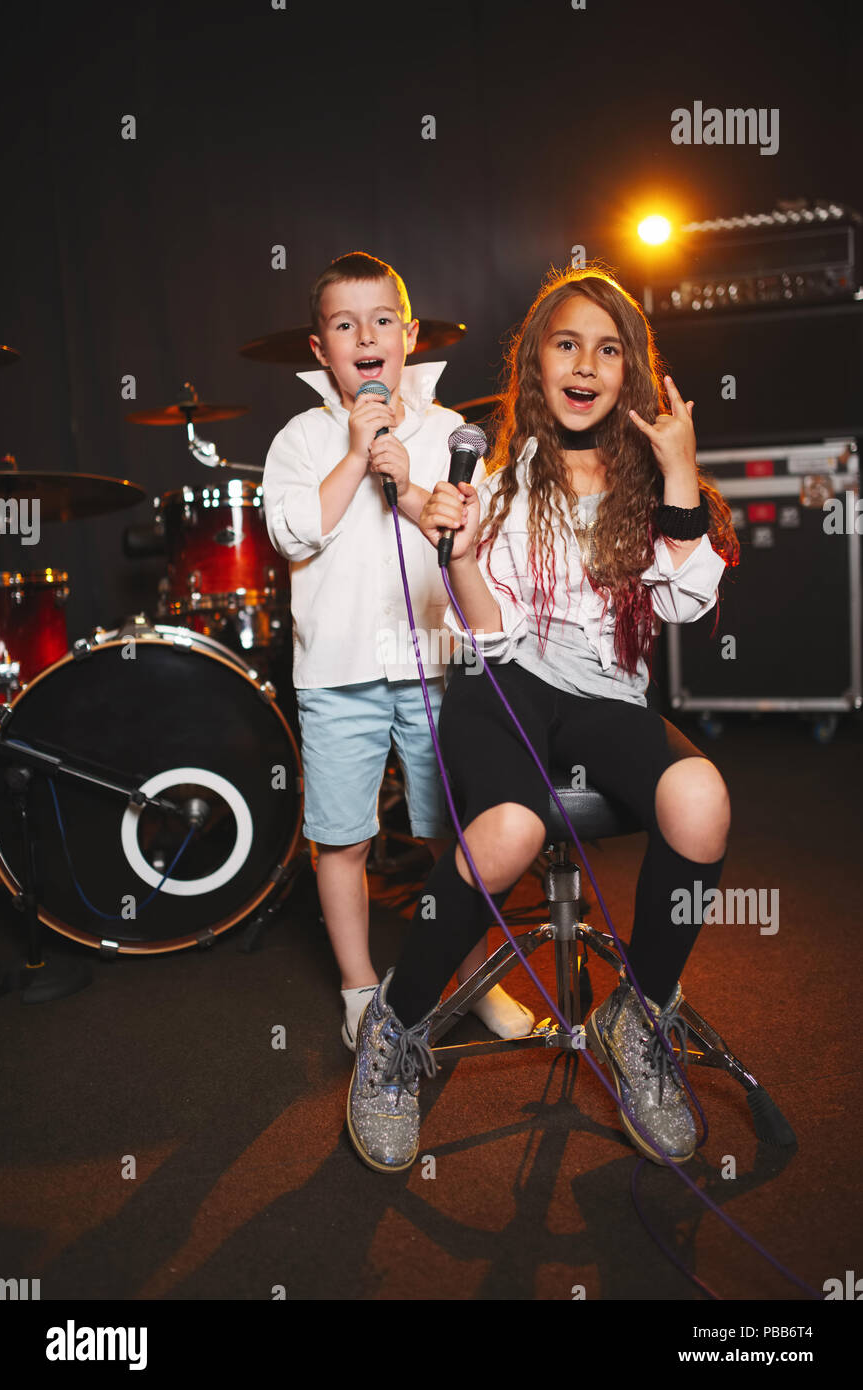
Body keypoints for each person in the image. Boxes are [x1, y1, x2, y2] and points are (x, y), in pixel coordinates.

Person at [347, 265, 739, 1172]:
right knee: (508, 831)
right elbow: (487, 635)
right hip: (508, 686)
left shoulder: (650, 481)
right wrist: (461, 553)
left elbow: (682, 606)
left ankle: (636, 1015)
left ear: (630, 373)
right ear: (535, 360)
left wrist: (679, 467)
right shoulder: (505, 474)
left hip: (606, 698)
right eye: (566, 342)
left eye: (608, 349)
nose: (586, 363)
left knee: (702, 801)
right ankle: (394, 1029)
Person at [263, 251, 534, 1051]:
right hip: (337, 672)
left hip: (435, 668)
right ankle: (356, 988)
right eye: (344, 325)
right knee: (341, 837)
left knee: (459, 836)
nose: (366, 335)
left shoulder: (450, 431)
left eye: (382, 319)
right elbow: (291, 532)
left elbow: (472, 538)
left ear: (409, 334)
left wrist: (409, 478)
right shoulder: (300, 439)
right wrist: (356, 454)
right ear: (320, 349)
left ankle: (473, 978)